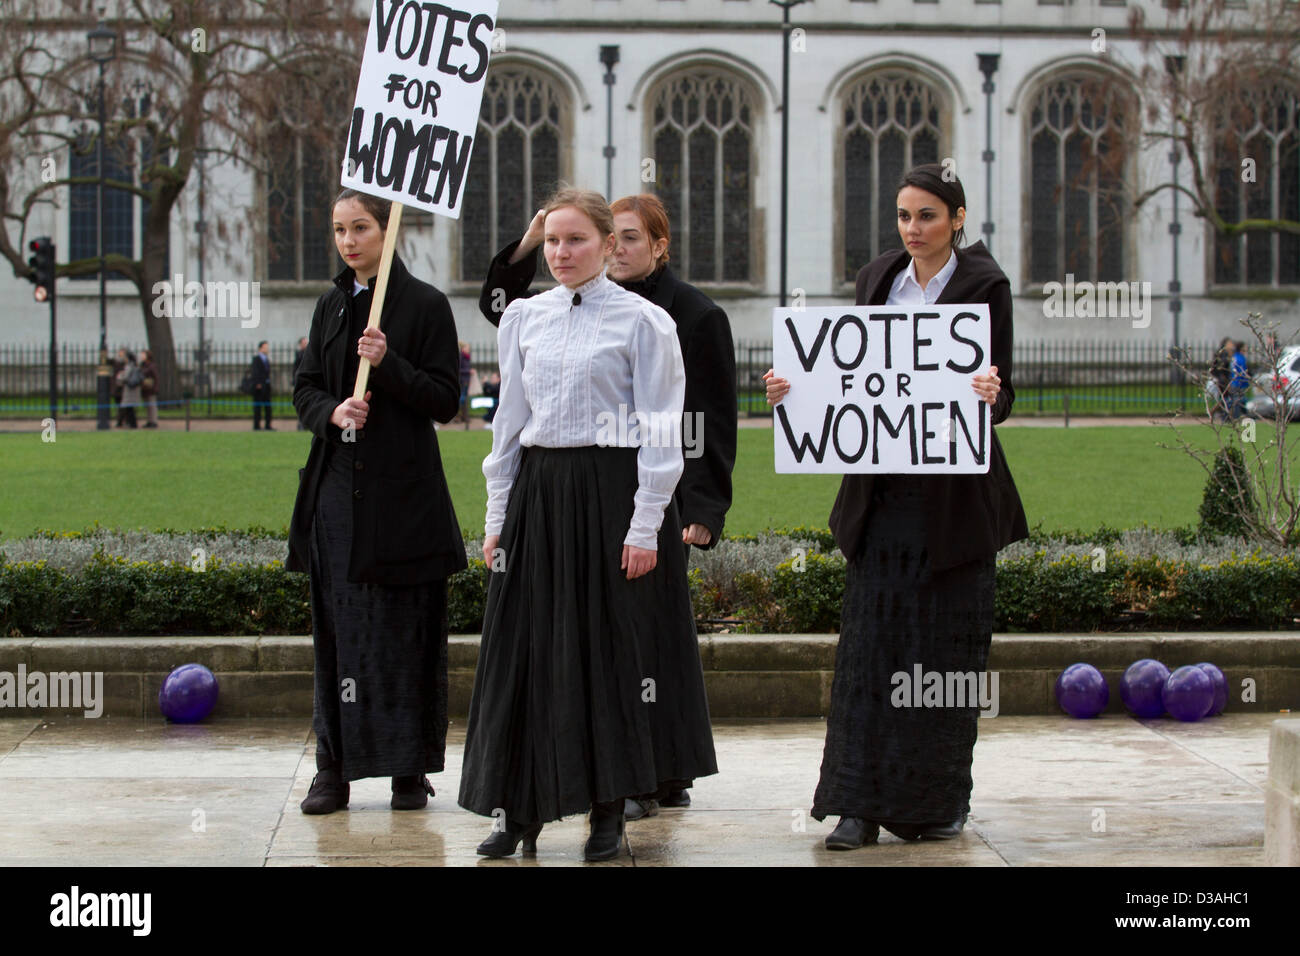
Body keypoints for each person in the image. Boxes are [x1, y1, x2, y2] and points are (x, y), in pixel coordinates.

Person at [765, 163, 1028, 851]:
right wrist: (794, 391)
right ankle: (856, 806)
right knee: (871, 653)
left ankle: (931, 804)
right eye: (905, 216)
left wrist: (988, 391)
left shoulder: (983, 286)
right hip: (882, 498)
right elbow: (853, 379)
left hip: (952, 506)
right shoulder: (877, 279)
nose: (914, 230)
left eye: (928, 217)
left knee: (941, 658)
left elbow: (1004, 398)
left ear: (958, 219)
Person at [458, 187, 718, 861]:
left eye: (576, 240)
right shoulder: (524, 319)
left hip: (613, 494)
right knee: (523, 654)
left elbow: (662, 430)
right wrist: (496, 518)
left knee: (609, 657)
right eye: (552, 241)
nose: (562, 253)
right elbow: (507, 425)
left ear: (609, 245)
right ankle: (516, 809)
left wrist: (643, 526)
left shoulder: (643, 323)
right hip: (539, 496)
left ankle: (607, 810)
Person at [286, 188, 467, 815]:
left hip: (403, 499)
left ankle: (408, 770)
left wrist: (387, 364)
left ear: (388, 231)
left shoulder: (424, 305)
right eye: (339, 229)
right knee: (338, 634)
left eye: (359, 227)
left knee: (405, 631)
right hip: (336, 494)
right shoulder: (331, 306)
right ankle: (332, 770)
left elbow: (447, 399)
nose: (348, 241)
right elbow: (304, 387)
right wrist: (331, 411)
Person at [1208, 337, 1234, 423]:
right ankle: (1223, 415)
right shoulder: (1224, 354)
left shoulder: (1223, 353)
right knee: (1225, 399)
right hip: (1223, 380)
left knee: (1224, 399)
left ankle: (1220, 413)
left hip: (1222, 379)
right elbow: (1222, 367)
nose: (1232, 345)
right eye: (1230, 343)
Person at [114, 350, 142, 429]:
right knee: (129, 408)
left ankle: (132, 424)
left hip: (130, 389)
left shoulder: (129, 366)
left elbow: (126, 376)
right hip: (132, 389)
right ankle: (130, 423)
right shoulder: (134, 365)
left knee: (129, 408)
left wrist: (120, 376)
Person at [249, 340, 273, 430]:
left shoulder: (266, 359)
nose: (267, 349)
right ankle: (257, 425)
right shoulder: (256, 359)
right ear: (260, 348)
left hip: (266, 386)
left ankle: (268, 425)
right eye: (265, 347)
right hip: (259, 387)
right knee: (257, 407)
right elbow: (255, 372)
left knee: (268, 407)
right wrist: (257, 383)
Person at [139, 349, 160, 428]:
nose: (141, 356)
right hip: (145, 388)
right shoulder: (142, 365)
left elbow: (156, 377)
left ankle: (154, 421)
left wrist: (156, 387)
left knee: (152, 405)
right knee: (147, 406)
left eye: (143, 355)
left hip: (151, 388)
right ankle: (149, 421)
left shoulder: (152, 365)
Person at [293, 336, 310, 430]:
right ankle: (301, 424)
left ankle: (305, 424)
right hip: (301, 381)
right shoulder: (299, 354)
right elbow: (296, 369)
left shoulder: (309, 353)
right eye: (304, 342)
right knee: (301, 402)